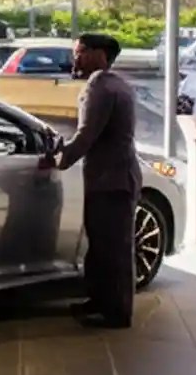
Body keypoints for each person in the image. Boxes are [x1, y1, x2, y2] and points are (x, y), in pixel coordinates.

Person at [39, 33, 142, 329]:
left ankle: (116, 313)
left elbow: (86, 135)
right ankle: (100, 302)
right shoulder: (117, 83)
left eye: (81, 51)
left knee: (112, 250)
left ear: (100, 54)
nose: (76, 57)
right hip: (117, 177)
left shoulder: (99, 85)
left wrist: (59, 160)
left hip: (111, 181)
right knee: (104, 247)